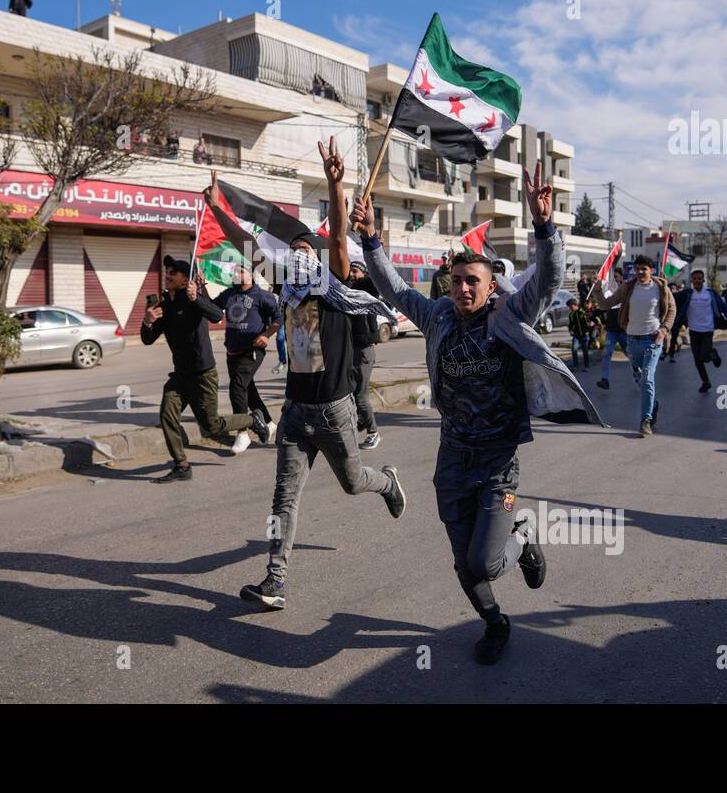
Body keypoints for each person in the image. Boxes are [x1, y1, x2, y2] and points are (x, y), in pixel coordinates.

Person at [353, 163, 604, 665]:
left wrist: (544, 226)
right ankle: (495, 624)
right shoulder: (438, 315)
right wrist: (371, 241)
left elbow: (550, 278)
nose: (463, 288)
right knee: (462, 563)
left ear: (491, 287)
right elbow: (396, 291)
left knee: (486, 562)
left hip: (496, 463)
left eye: (473, 281)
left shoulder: (509, 317)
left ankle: (524, 537)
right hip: (453, 458)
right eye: (456, 280)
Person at [203, 143, 406, 613]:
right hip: (295, 414)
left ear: (316, 260)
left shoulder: (333, 290)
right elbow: (249, 248)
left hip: (335, 414)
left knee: (354, 483)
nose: (294, 256)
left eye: (301, 250)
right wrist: (218, 210)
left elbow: (337, 236)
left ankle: (388, 483)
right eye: (290, 252)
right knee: (283, 500)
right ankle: (275, 580)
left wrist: (336, 184)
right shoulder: (286, 293)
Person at [141, 257, 269, 482]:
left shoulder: (193, 300)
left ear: (184, 279)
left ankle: (252, 420)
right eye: (167, 271)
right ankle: (182, 466)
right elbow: (148, 340)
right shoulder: (163, 306)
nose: (168, 275)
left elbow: (217, 315)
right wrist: (147, 321)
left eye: (174, 272)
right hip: (180, 376)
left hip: (203, 375)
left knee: (211, 426)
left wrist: (196, 297)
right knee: (167, 416)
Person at [592, 254, 675, 437]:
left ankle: (645, 421)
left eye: (644, 268)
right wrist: (598, 290)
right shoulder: (628, 287)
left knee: (647, 377)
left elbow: (671, 311)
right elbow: (606, 305)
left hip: (652, 340)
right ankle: (653, 403)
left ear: (651, 270)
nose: (640, 272)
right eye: (637, 268)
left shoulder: (661, 288)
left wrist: (664, 330)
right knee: (640, 379)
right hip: (632, 341)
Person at [216, 263, 281, 455]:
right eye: (235, 271)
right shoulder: (229, 294)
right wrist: (201, 290)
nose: (238, 274)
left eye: (241, 271)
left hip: (251, 350)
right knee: (247, 388)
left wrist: (266, 335)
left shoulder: (262, 296)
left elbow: (279, 318)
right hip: (232, 351)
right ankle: (269, 423)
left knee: (237, 387)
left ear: (251, 275)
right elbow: (212, 307)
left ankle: (242, 431)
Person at [672, 269, 727, 393]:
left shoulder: (710, 294)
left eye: (699, 278)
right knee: (697, 360)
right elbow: (671, 297)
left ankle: (712, 353)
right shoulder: (687, 294)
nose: (697, 281)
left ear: (703, 280)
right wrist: (662, 284)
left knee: (704, 357)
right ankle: (705, 382)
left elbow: (725, 309)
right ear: (691, 280)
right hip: (693, 330)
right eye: (694, 279)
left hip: (707, 330)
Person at [347, 260, 382, 449]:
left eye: (355, 271)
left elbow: (376, 279)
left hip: (363, 350)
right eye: (349, 271)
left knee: (360, 395)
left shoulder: (367, 289)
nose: (352, 275)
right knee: (350, 393)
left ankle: (373, 432)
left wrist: (376, 255)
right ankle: (360, 421)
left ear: (364, 274)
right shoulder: (347, 291)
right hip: (350, 349)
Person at [595, 303, 631, 390]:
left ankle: (639, 376)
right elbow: (602, 307)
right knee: (606, 354)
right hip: (611, 333)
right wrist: (593, 312)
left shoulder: (625, 298)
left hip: (624, 332)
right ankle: (604, 379)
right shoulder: (610, 299)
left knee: (631, 355)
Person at [566, 298, 590, 370]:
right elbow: (570, 325)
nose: (570, 308)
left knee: (585, 350)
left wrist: (588, 329)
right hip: (576, 335)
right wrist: (570, 330)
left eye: (571, 306)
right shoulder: (571, 315)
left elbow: (588, 320)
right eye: (569, 306)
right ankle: (575, 366)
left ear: (575, 305)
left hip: (584, 334)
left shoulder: (582, 312)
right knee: (574, 349)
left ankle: (586, 366)